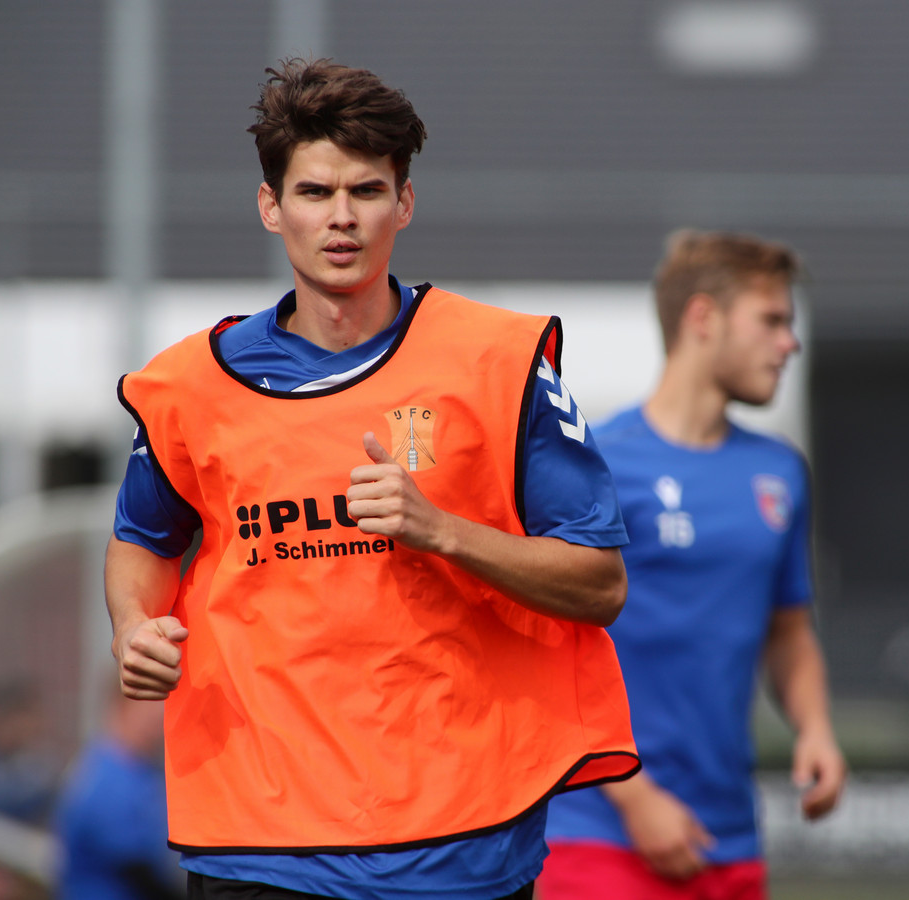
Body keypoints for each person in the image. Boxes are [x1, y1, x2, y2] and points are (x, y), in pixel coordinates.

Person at [104, 58, 639, 900]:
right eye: (315, 193)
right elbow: (142, 539)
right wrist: (135, 625)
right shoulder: (187, 386)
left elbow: (599, 583)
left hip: (460, 841)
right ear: (271, 208)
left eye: (367, 191)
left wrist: (440, 530)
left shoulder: (498, 362)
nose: (341, 218)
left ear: (405, 203)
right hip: (256, 836)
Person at [540, 230, 847, 899]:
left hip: (730, 838)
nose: (789, 343)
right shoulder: (599, 461)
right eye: (771, 321)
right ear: (702, 319)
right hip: (598, 835)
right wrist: (632, 797)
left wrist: (817, 730)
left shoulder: (779, 472)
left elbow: (789, 630)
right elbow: (545, 652)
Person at [54, 681, 183, 900]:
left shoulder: (142, 771)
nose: (157, 717)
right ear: (121, 706)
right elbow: (139, 868)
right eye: (147, 706)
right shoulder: (105, 775)